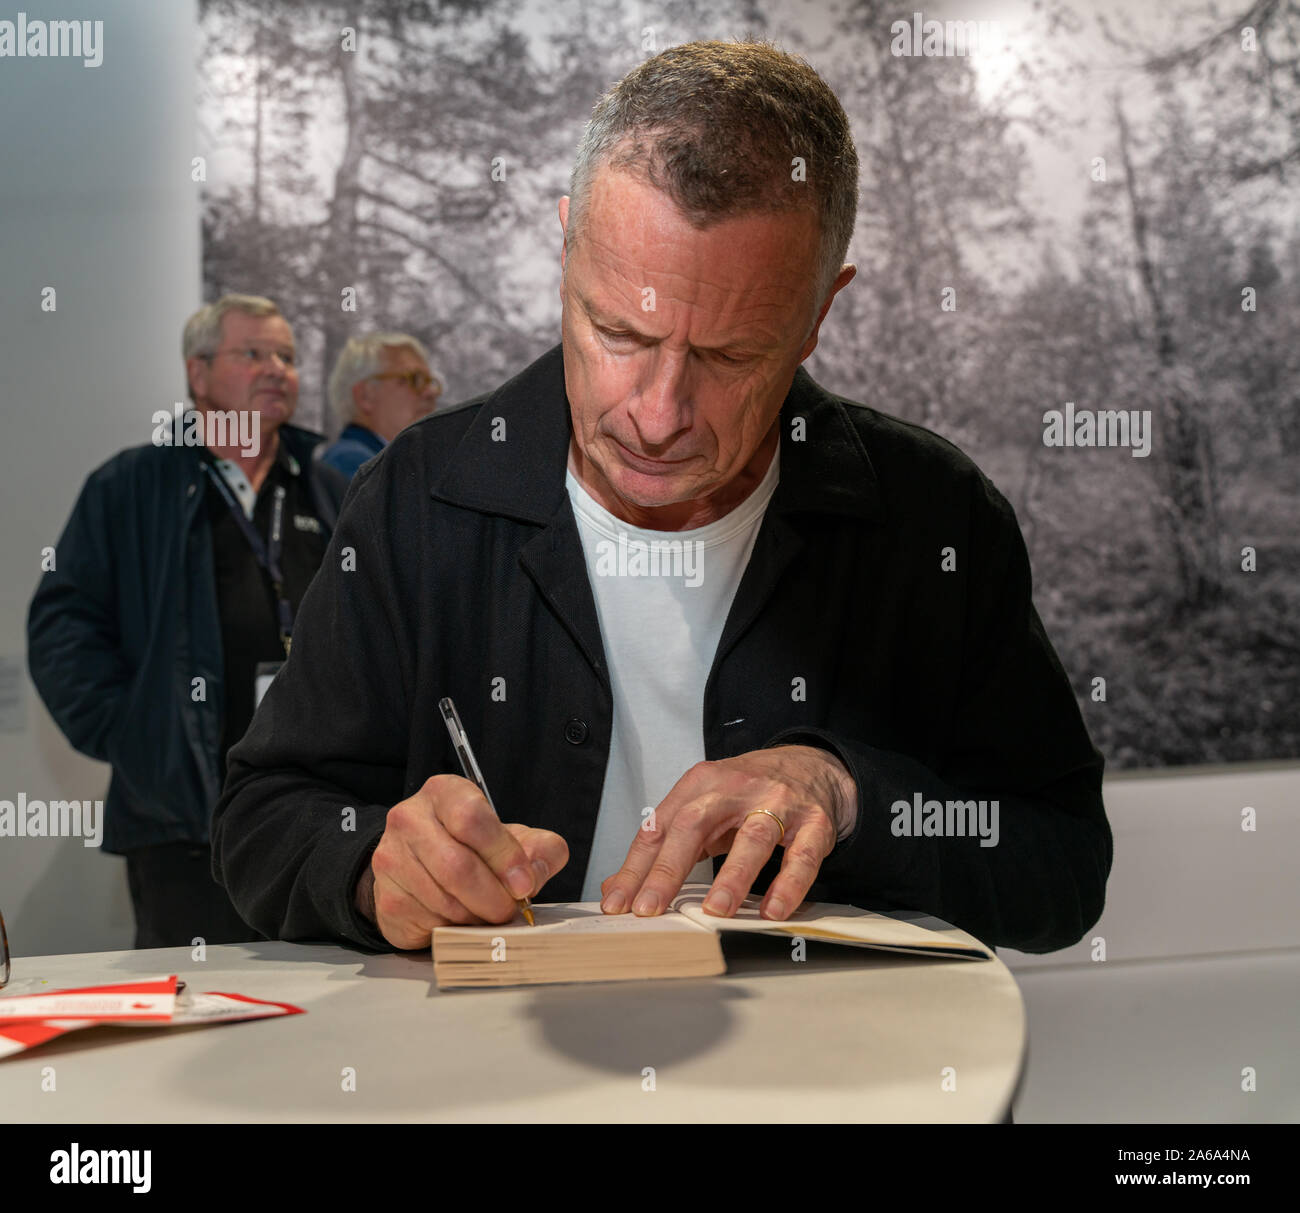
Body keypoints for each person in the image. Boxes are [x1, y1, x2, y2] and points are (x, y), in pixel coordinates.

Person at [212, 42, 1111, 956]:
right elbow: (261, 819)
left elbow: (1063, 865)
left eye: (727, 356)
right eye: (616, 331)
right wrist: (373, 868)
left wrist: (849, 796)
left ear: (818, 314)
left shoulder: (933, 518)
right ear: (565, 250)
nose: (656, 414)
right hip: (503, 1087)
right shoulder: (419, 498)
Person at [28, 293, 347, 948]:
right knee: (190, 1021)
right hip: (181, 823)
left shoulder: (329, 488)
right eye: (252, 353)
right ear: (197, 375)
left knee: (320, 1016)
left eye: (286, 356)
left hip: (313, 815)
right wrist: (135, 732)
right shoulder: (130, 487)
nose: (276, 369)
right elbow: (62, 622)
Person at [320, 333, 442, 478]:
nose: (431, 392)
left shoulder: (388, 464)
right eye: (415, 379)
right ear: (366, 396)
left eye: (429, 381)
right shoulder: (351, 464)